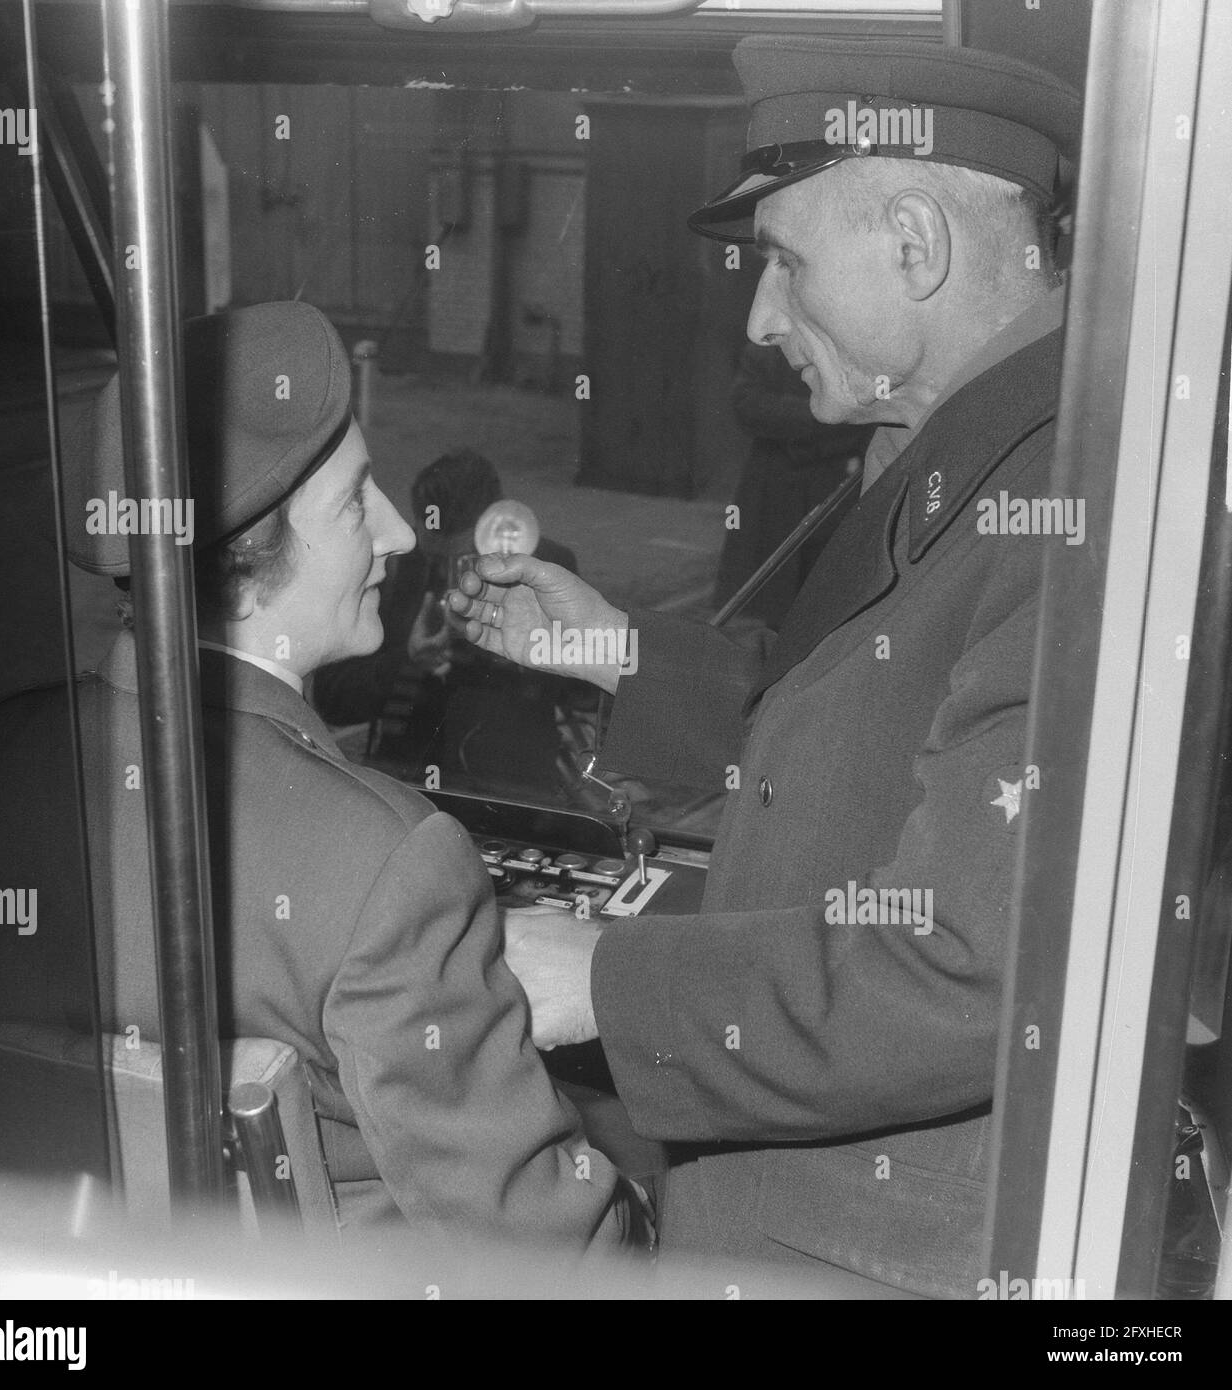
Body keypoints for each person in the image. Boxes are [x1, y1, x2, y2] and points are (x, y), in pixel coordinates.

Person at [447, 38, 1082, 1297]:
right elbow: (867, 730)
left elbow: (974, 960)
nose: (758, 315)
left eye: (785, 262)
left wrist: (601, 978)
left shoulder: (1068, 501)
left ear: (915, 241)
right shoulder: (957, 438)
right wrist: (616, 648)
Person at [0, 301, 643, 1252]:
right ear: (249, 554)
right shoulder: (389, 856)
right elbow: (554, 1251)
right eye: (357, 501)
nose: (397, 534)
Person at [313, 448, 584, 801]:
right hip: (407, 790)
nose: (449, 575)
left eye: (464, 560)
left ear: (497, 531)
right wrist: (408, 661)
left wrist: (513, 655)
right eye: (436, 558)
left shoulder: (544, 568)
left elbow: (579, 691)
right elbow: (334, 698)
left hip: (510, 793)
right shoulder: (391, 570)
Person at [714, 341, 874, 628]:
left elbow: (867, 414)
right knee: (765, 601)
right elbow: (747, 405)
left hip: (837, 481)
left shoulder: (853, 342)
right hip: (773, 484)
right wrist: (820, 416)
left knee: (830, 601)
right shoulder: (770, 346)